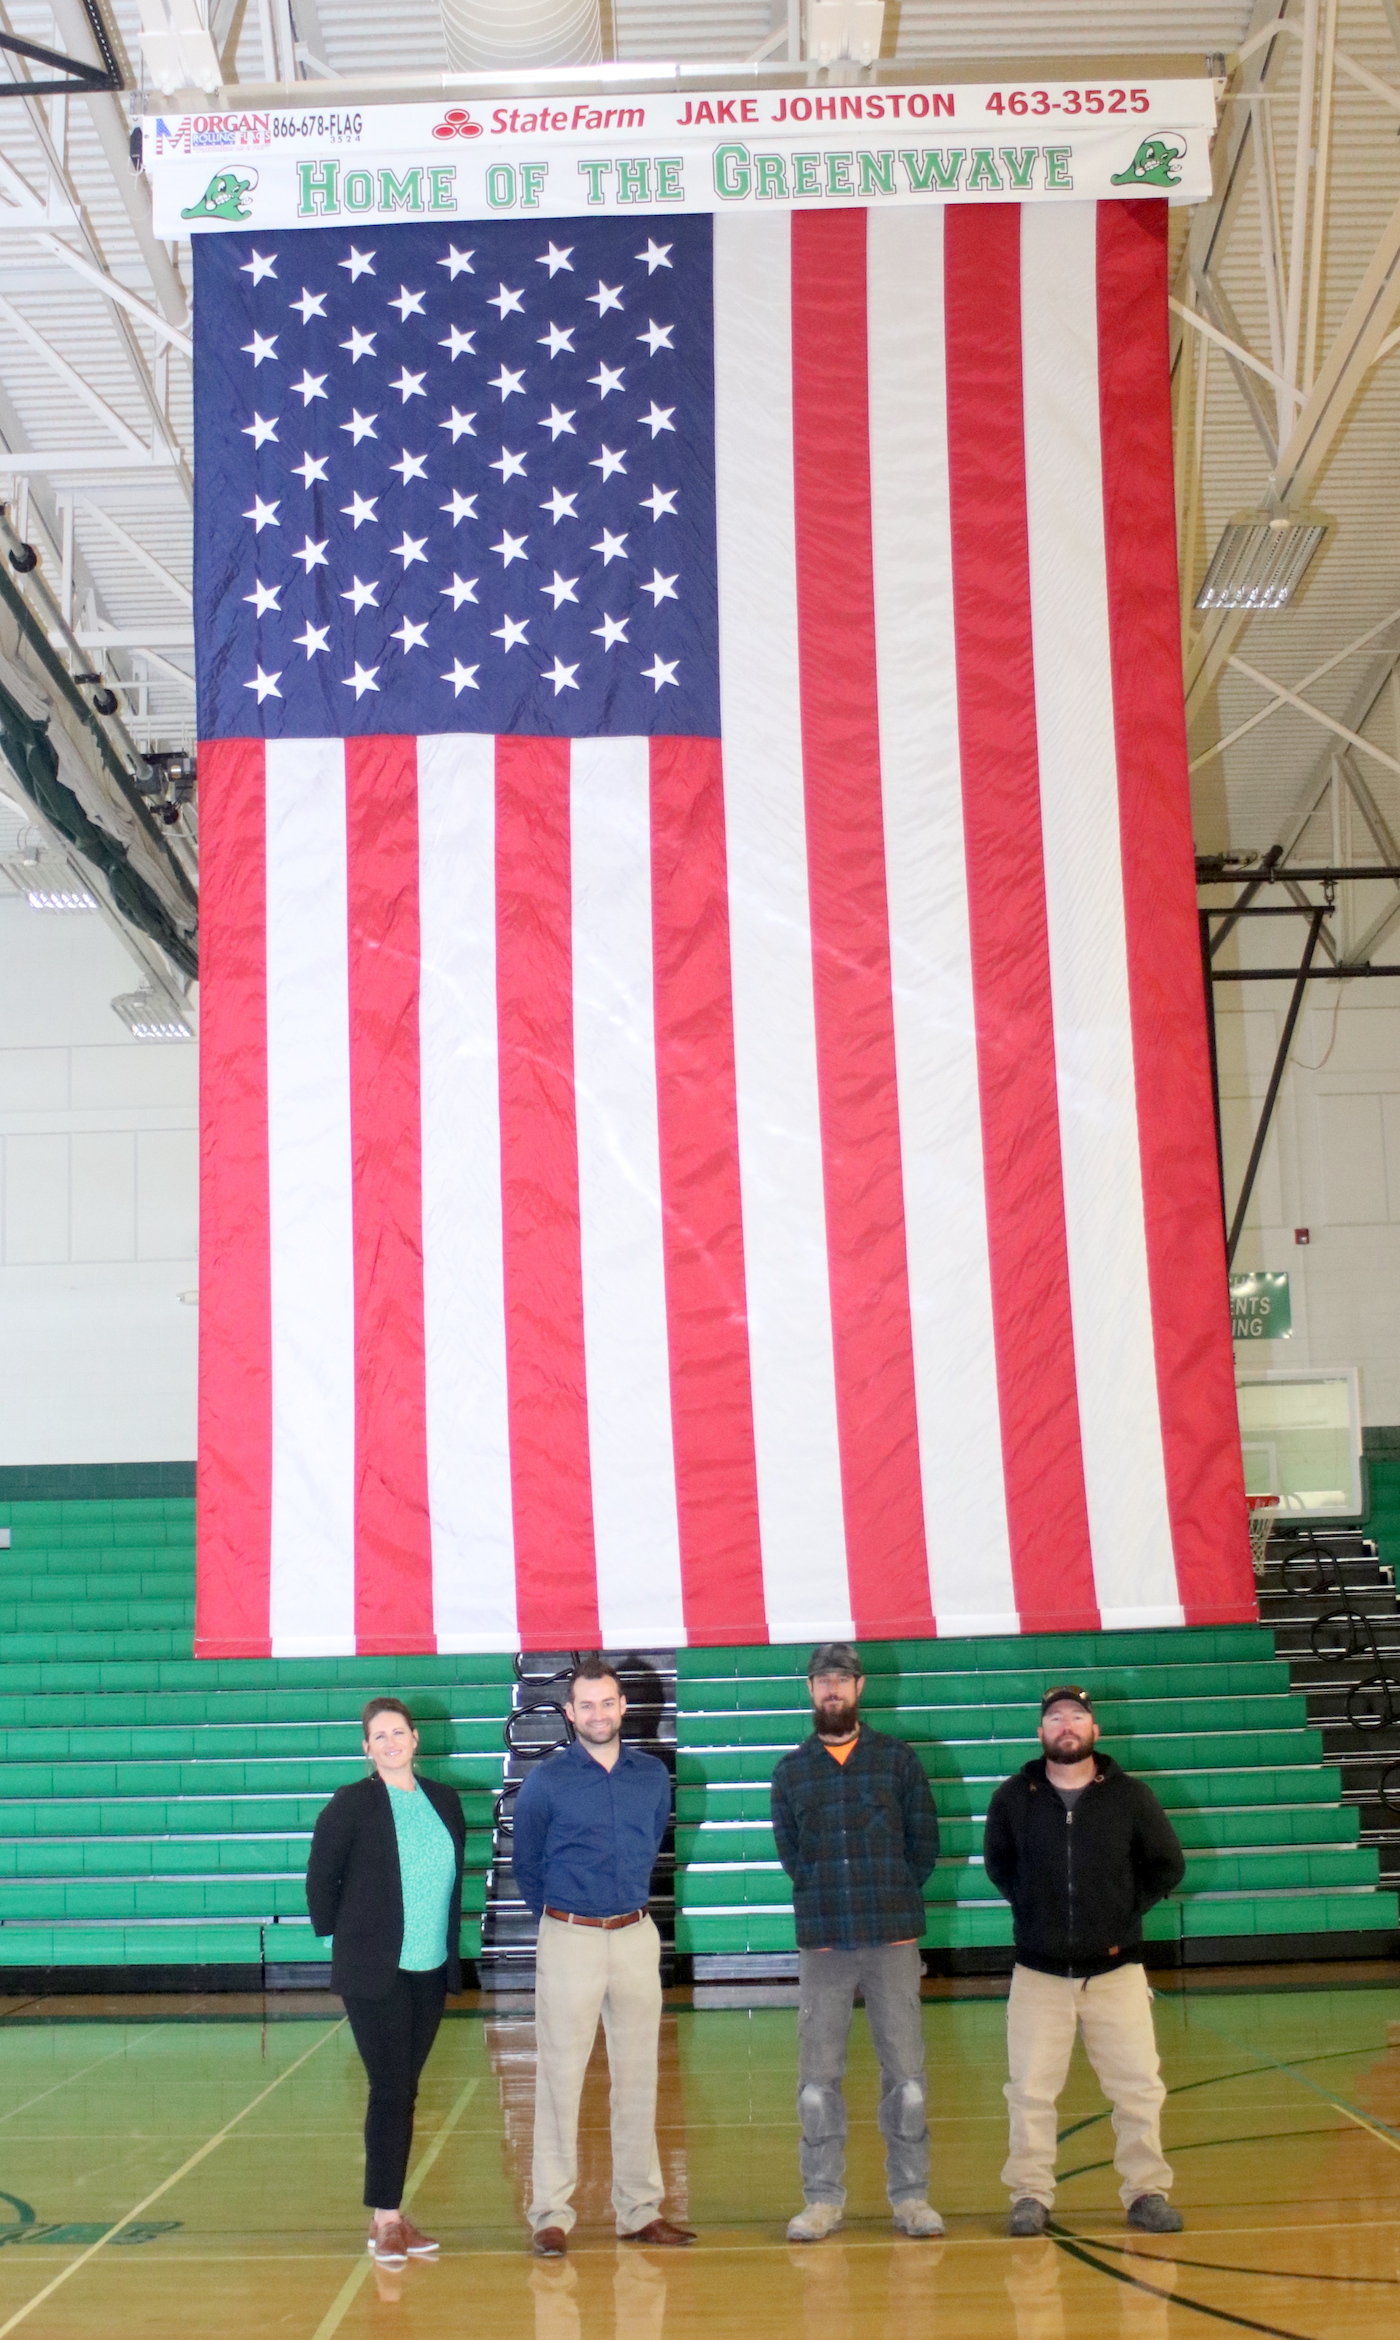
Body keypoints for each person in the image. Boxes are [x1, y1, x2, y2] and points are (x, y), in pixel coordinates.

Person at [982, 1686, 1187, 2238]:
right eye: (1055, 1718)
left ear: (1095, 1731)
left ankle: (1146, 2190)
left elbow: (1167, 1865)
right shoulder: (1012, 1799)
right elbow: (1000, 1867)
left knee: (1138, 2087)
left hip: (1116, 1974)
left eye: (1077, 1716)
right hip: (1038, 1974)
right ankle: (1029, 2194)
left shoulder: (1132, 1797)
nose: (1066, 1725)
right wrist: (1038, 1911)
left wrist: (1121, 1913)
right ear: (1041, 1733)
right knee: (1029, 2091)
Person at [512, 1655, 692, 2257]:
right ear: (569, 1713)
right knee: (560, 2078)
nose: (597, 1713)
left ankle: (640, 2210)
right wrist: (564, 1921)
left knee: (640, 2077)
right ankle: (550, 2214)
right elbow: (528, 1864)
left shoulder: (652, 1776)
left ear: (622, 1708)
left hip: (636, 1937)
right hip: (570, 1937)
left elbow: (649, 1847)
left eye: (606, 1703)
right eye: (584, 1704)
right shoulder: (547, 1781)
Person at [769, 1642, 944, 2244]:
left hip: (891, 1939)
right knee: (817, 2082)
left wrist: (889, 1894)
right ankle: (821, 2200)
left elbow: (923, 1846)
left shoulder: (898, 1762)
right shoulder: (791, 1771)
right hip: (824, 1946)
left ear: (860, 1688)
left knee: (909, 2078)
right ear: (811, 1691)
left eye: (842, 1679)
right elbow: (793, 1855)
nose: (832, 1690)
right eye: (823, 1681)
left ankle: (912, 2198)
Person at [306, 1696, 466, 2267]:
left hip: (429, 1969)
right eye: (379, 1736)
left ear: (415, 1739)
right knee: (390, 2090)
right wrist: (343, 1947)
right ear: (366, 1748)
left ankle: (391, 2214)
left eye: (399, 1732)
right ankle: (386, 2221)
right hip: (375, 1973)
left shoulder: (445, 1802)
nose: (391, 1742)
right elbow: (320, 1880)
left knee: (404, 2090)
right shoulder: (352, 1804)